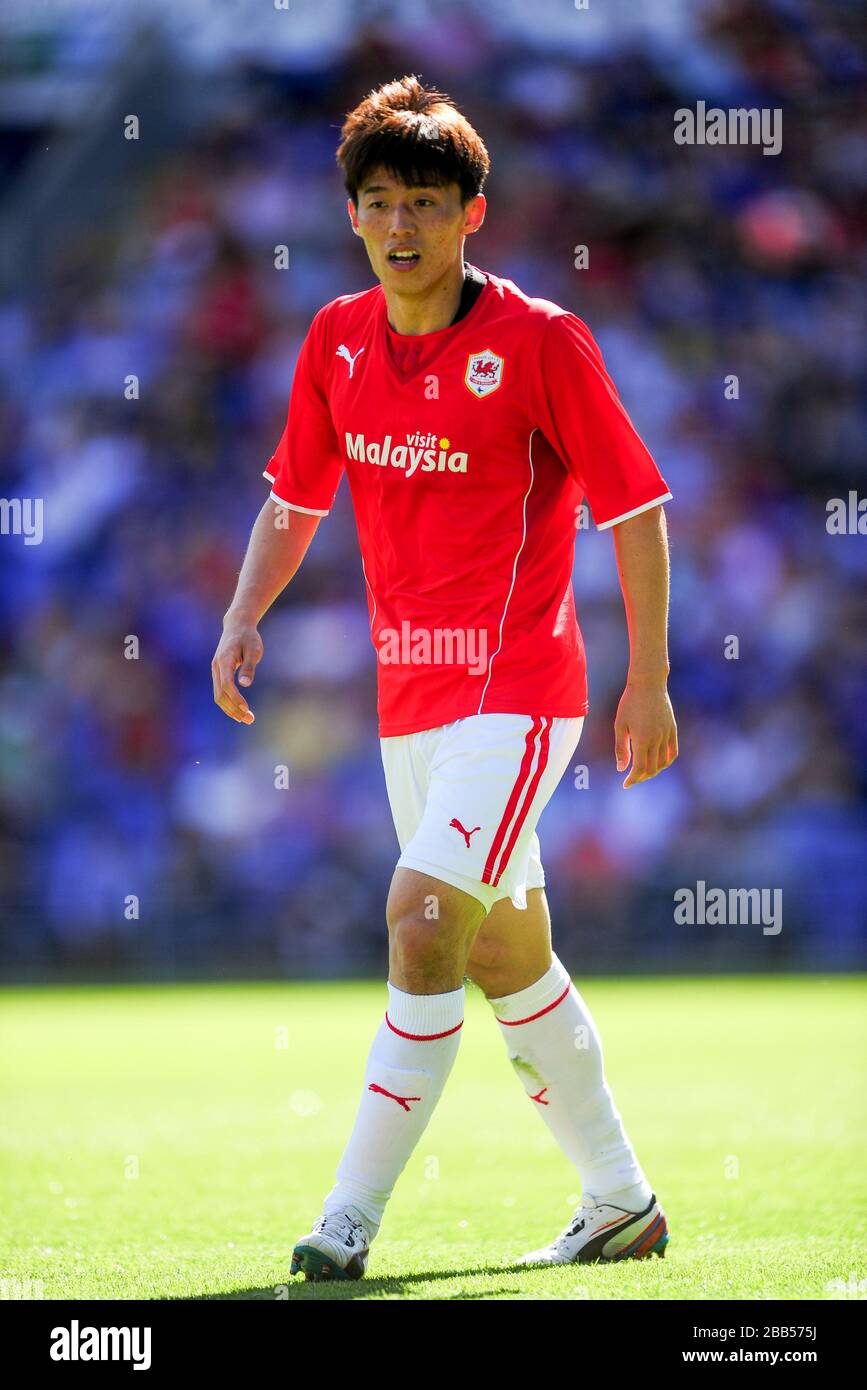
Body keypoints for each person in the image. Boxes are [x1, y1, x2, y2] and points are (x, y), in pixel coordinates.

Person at [212, 75, 677, 1281]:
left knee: (419, 929)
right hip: (407, 707)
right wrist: (244, 611)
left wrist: (652, 679)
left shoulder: (540, 340)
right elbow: (296, 496)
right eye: (379, 201)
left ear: (475, 211)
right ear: (353, 215)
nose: (401, 224)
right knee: (502, 957)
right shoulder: (335, 338)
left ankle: (345, 1219)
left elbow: (634, 507)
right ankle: (622, 1200)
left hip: (520, 693)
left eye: (426, 199)